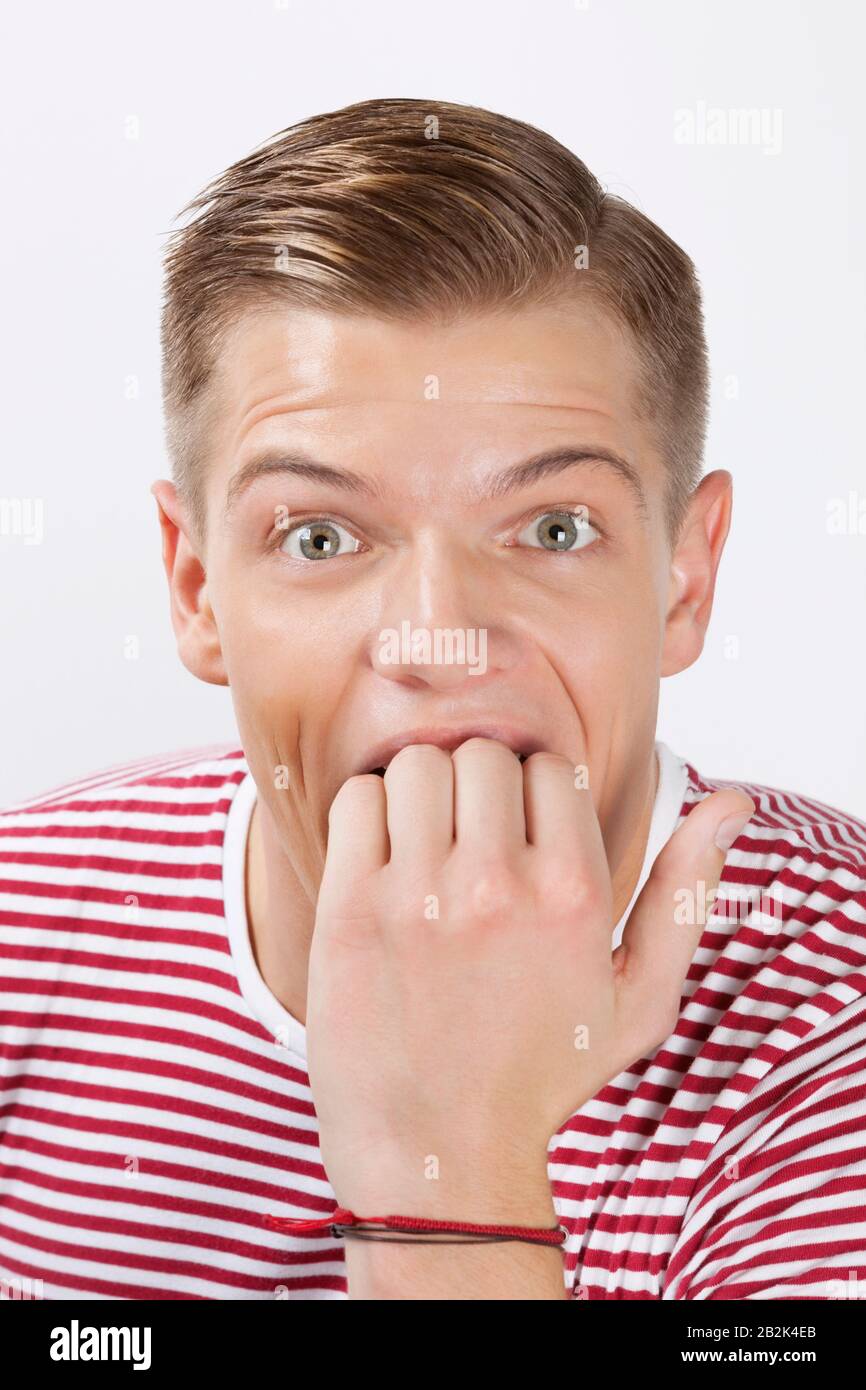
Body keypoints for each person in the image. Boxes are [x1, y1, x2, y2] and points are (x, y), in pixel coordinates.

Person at [1, 97, 864, 1302]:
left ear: (683, 576)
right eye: (317, 534)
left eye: (552, 528)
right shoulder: (22, 920)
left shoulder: (831, 1015)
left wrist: (450, 1178)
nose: (436, 636)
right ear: (195, 588)